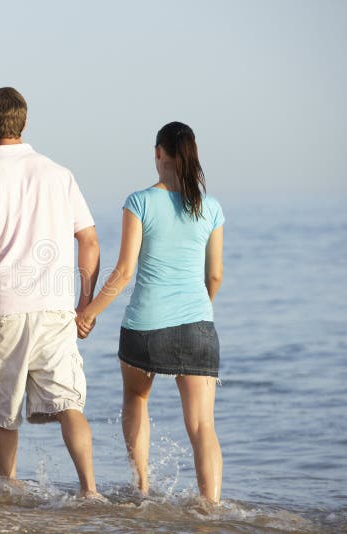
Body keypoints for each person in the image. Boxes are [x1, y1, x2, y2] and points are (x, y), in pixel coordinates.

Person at [0, 87, 101, 497]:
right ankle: (90, 490)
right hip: (56, 308)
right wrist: (84, 304)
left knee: (1, 408)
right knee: (69, 403)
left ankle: (10, 487)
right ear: (24, 122)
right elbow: (89, 241)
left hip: (2, 310)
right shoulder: (59, 174)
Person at [76, 121, 224, 503]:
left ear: (158, 153)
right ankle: (211, 507)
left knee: (136, 398)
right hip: (198, 326)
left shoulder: (139, 201)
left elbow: (124, 271)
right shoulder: (210, 208)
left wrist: (88, 313)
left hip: (146, 327)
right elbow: (215, 275)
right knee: (203, 426)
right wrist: (198, 311)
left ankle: (141, 486)